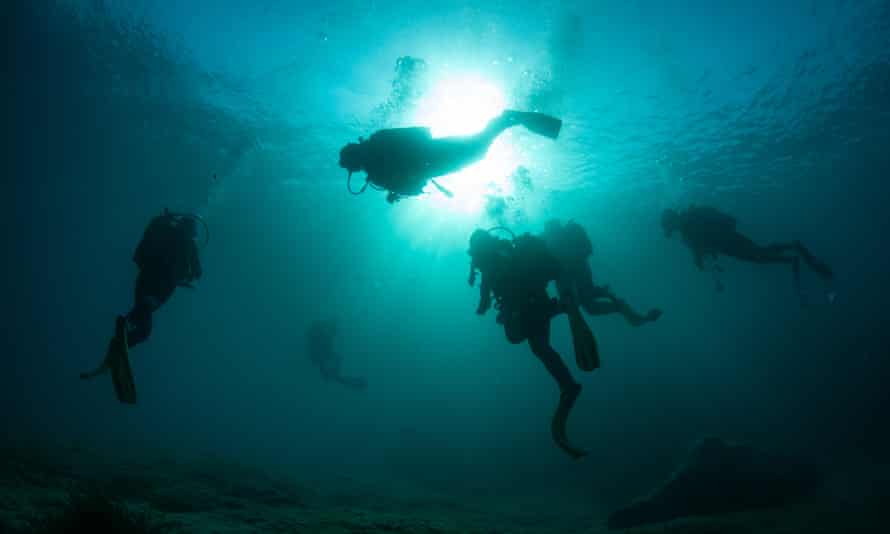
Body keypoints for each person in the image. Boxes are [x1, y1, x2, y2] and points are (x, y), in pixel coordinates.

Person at [468, 228, 592, 459]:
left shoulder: (498, 258)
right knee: (533, 345)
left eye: (475, 253)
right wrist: (488, 303)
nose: (475, 259)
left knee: (535, 346)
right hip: (534, 307)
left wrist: (487, 304)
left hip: (532, 307)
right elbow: (487, 299)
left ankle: (568, 385)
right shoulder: (491, 262)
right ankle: (568, 383)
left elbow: (491, 295)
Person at [80, 209, 205, 403]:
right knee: (145, 327)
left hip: (144, 279)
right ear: (193, 230)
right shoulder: (189, 243)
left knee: (142, 314)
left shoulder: (165, 230)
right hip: (160, 287)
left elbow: (142, 254)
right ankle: (123, 336)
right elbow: (197, 273)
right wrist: (187, 275)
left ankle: (121, 339)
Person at [340, 110, 562, 203]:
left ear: (354, 165)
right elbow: (419, 133)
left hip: (439, 159)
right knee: (480, 145)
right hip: (438, 150)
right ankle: (509, 119)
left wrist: (396, 192)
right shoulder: (377, 145)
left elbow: (415, 188)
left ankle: (507, 118)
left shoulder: (376, 175)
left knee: (480, 147)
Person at [661, 205, 833, 302]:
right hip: (732, 240)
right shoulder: (690, 223)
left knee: (759, 256)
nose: (672, 230)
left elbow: (699, 252)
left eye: (669, 227)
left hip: (731, 245)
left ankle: (793, 258)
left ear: (672, 222)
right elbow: (702, 247)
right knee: (760, 253)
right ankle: (794, 252)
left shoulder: (688, 231)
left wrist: (699, 261)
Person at [542, 219, 662, 327]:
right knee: (584, 306)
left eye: (553, 233)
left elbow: (586, 250)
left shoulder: (565, 236)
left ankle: (615, 303)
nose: (553, 237)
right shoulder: (552, 240)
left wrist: (569, 262)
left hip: (578, 272)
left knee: (588, 307)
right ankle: (611, 299)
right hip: (570, 275)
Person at [306, 319, 367, 391]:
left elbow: (325, 350)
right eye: (335, 330)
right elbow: (320, 351)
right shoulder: (324, 333)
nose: (336, 333)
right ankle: (336, 377)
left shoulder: (325, 333)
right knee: (334, 362)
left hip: (320, 355)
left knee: (335, 360)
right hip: (319, 355)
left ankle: (336, 377)